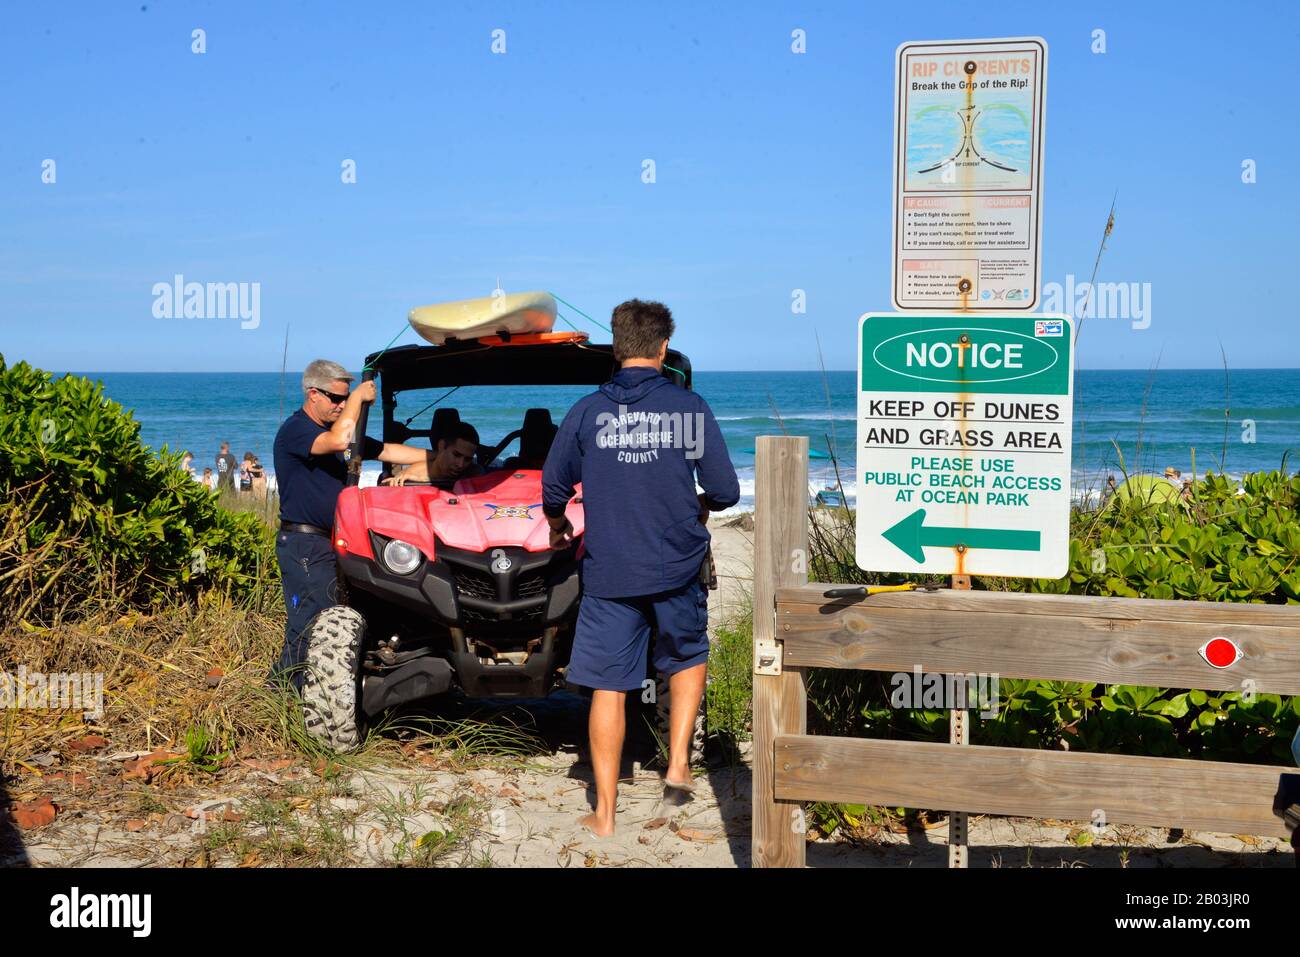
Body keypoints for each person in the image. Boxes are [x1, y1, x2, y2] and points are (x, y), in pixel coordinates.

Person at [541, 298, 739, 838]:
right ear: (663, 348)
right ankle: (677, 764)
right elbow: (725, 489)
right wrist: (700, 503)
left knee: (609, 685)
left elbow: (554, 487)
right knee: (686, 655)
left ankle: (603, 814)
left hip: (610, 569)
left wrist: (558, 521)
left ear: (616, 346)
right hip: (676, 563)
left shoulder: (587, 412)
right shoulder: (687, 409)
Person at [270, 359, 437, 692]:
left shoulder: (337, 433)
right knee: (312, 622)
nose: (342, 405)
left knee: (339, 619)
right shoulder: (298, 430)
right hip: (305, 543)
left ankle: (320, 693)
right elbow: (338, 440)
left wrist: (435, 459)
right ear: (312, 394)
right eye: (336, 398)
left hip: (336, 541)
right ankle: (284, 694)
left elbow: (389, 450)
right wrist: (359, 399)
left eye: (346, 398)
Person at [381, 422, 480, 490]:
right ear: (441, 446)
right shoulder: (411, 475)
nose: (460, 464)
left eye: (467, 459)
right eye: (456, 455)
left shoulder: (475, 473)